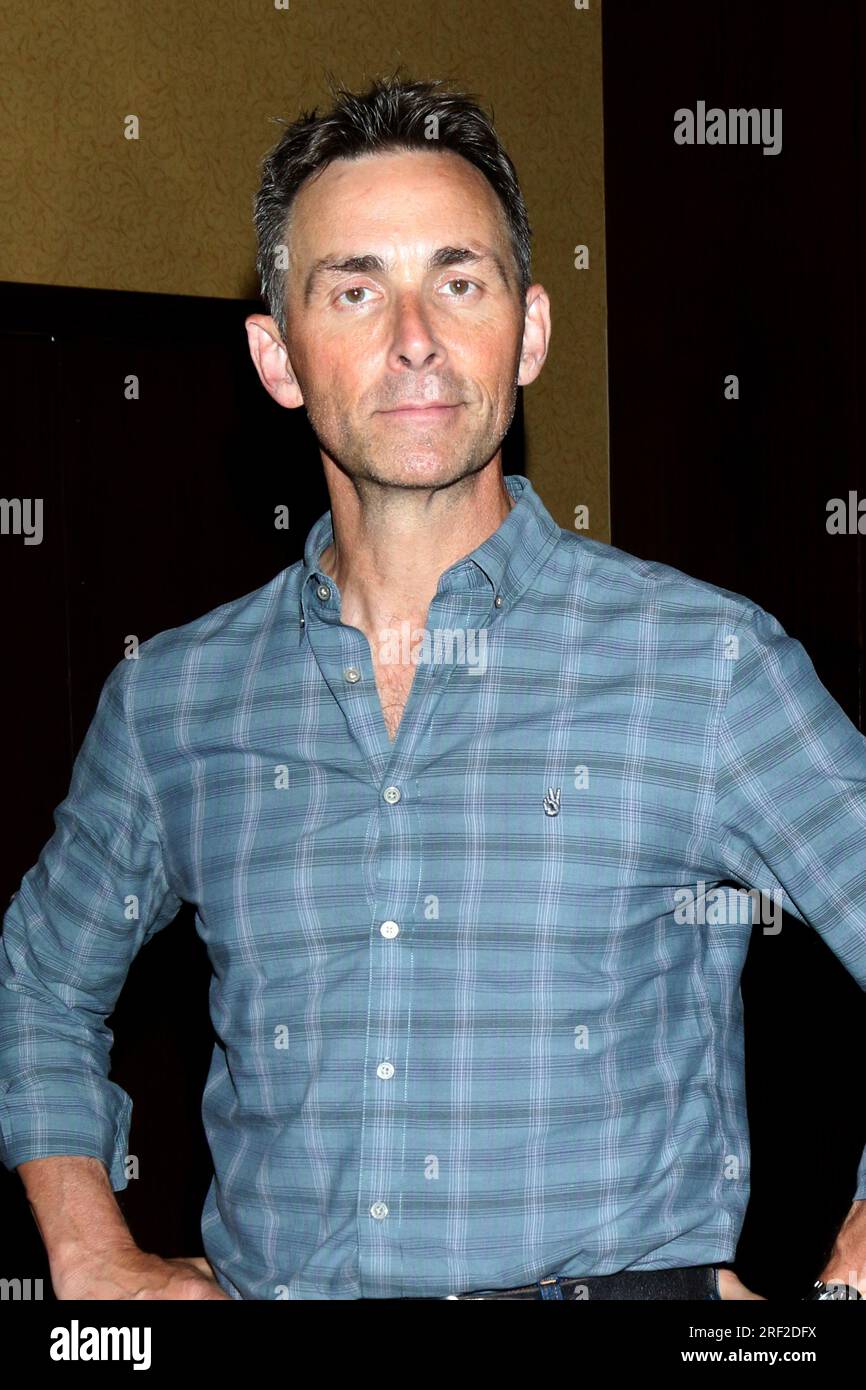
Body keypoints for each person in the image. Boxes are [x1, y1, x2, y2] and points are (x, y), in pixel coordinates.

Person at [1, 72, 864, 1303]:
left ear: (529, 332)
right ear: (276, 355)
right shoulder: (173, 703)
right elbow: (36, 979)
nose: (413, 336)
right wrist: (90, 1252)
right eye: (353, 289)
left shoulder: (704, 665)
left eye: (458, 281)